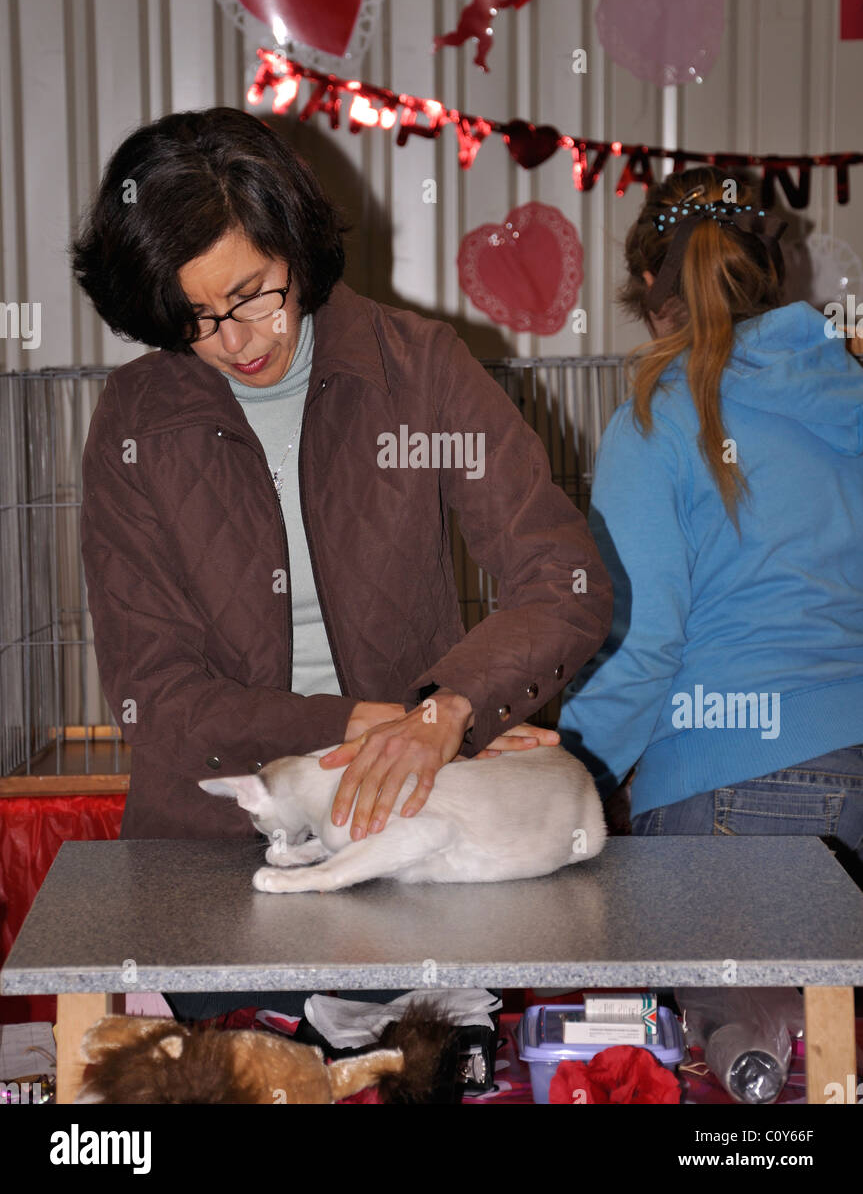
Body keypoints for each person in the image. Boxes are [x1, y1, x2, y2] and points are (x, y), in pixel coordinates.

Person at [72, 105, 613, 1020]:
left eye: (252, 293)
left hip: (412, 834)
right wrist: (373, 725)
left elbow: (559, 583)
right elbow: (153, 693)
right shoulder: (135, 417)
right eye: (193, 317)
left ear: (295, 242)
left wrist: (454, 714)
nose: (236, 341)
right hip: (204, 844)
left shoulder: (418, 368)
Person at [558, 166, 863, 881]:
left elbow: (642, 641)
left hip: (729, 785)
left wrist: (571, 775)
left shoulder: (656, 416)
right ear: (766, 269)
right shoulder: (847, 401)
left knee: (723, 1001)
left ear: (643, 279)